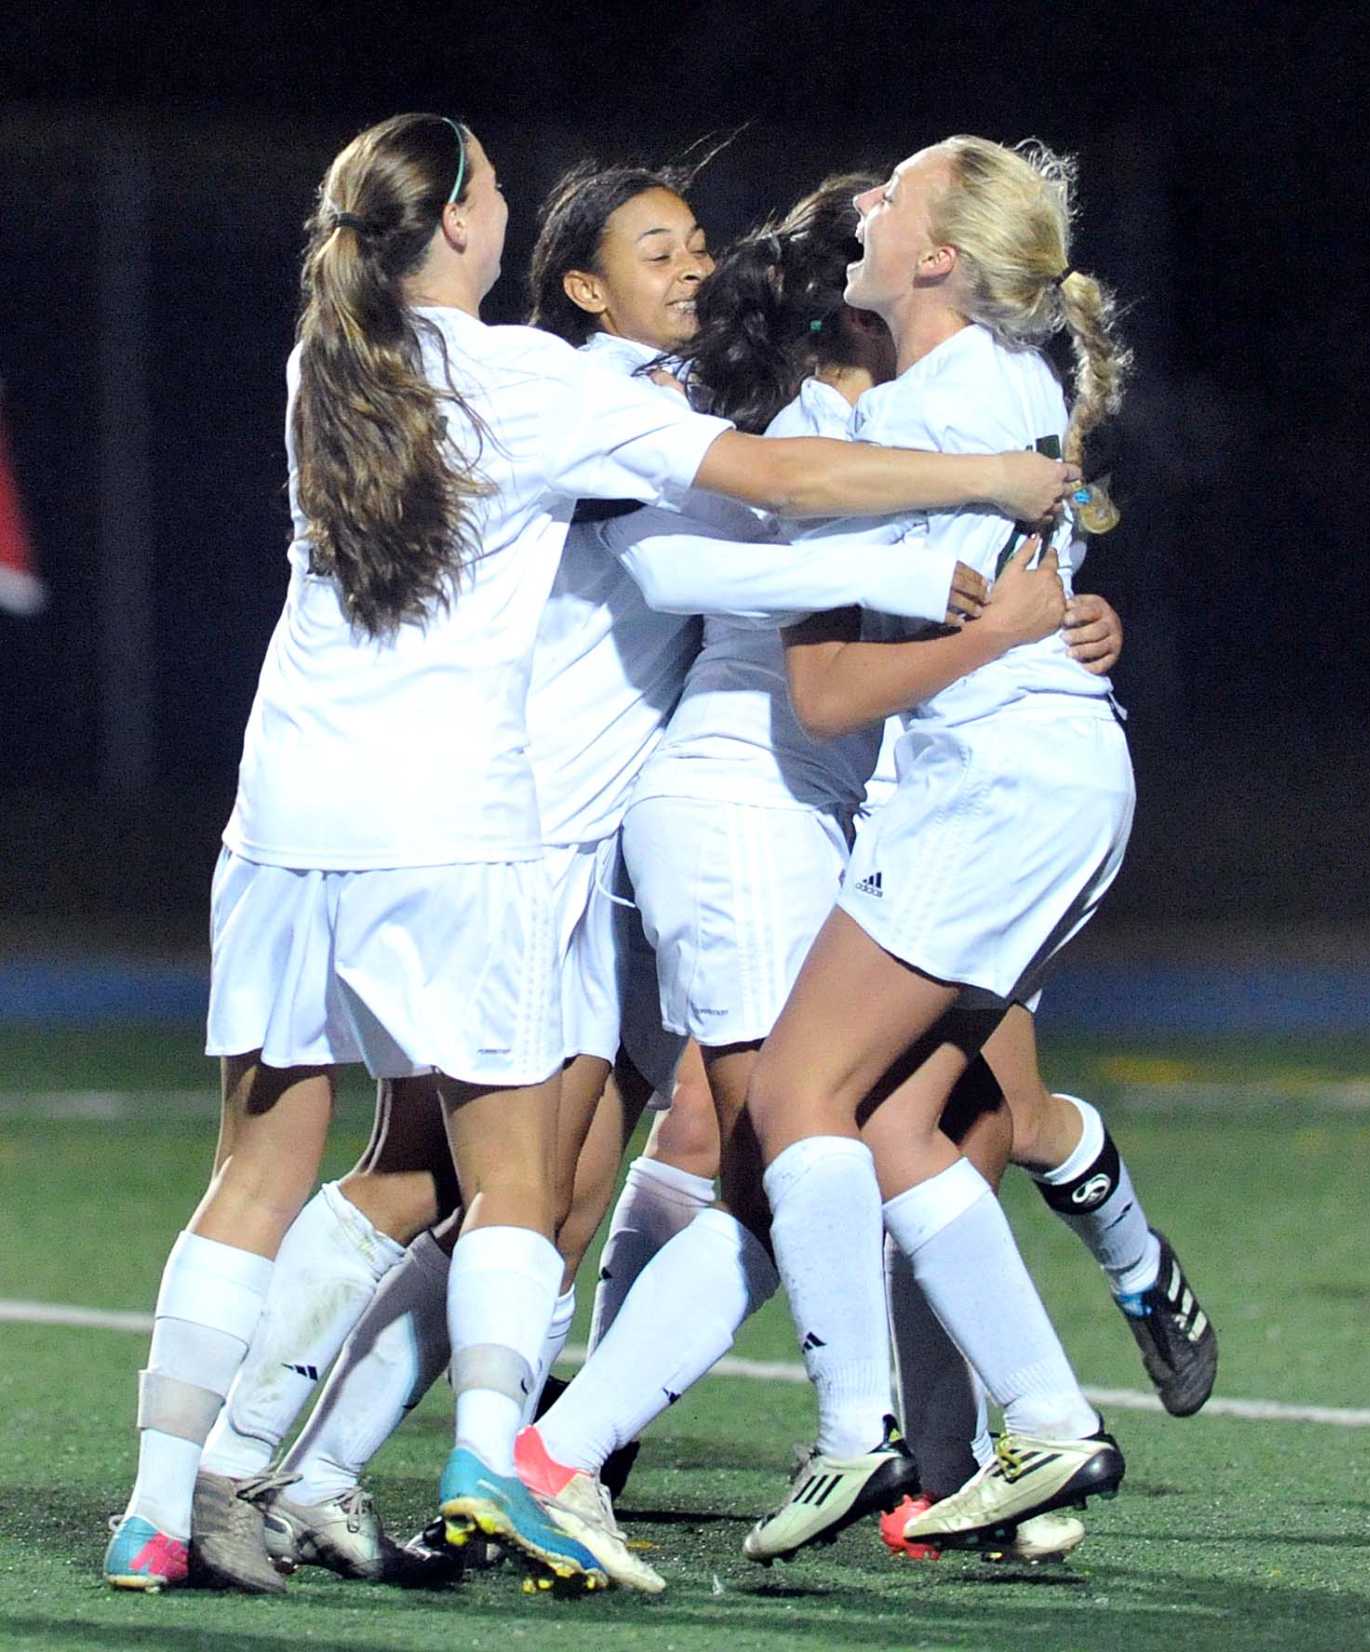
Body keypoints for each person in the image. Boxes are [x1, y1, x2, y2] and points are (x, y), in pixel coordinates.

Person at [104, 113, 1077, 1597]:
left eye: (699, 246)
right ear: (509, 254)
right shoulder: (550, 382)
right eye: (654, 249)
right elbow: (757, 501)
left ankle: (211, 1489)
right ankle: (496, 1462)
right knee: (511, 1177)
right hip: (498, 824)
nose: (688, 268)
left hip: (309, 809)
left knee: (413, 1171)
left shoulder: (335, 358)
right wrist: (970, 517)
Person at [732, 136, 1140, 1566]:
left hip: (997, 786)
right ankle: (1042, 1420)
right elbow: (1041, 505)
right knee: (900, 1121)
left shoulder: (936, 404)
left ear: (940, 256)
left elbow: (807, 562)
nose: (863, 208)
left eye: (889, 200)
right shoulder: (991, 395)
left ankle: (860, 1436)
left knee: (799, 1093)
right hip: (1040, 774)